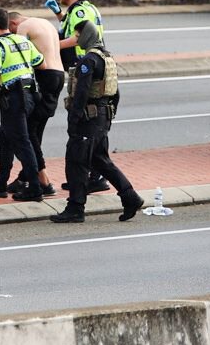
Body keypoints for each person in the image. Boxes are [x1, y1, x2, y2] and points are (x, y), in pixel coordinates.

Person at [51, 21, 143, 224]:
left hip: (88, 118)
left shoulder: (89, 60)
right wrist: (108, 117)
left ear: (87, 36)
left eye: (78, 35)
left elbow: (82, 93)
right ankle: (130, 197)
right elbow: (115, 92)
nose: (76, 39)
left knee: (77, 161)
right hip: (102, 117)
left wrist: (74, 121)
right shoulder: (107, 57)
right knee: (100, 161)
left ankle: (75, 207)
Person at [45, 0, 109, 194]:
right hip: (85, 66)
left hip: (86, 68)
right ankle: (95, 175)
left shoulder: (81, 11)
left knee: (87, 120)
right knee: (92, 124)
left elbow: (76, 38)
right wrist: (58, 14)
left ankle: (94, 176)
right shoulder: (80, 9)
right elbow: (72, 26)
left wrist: (50, 45)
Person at [0, 9, 48, 201]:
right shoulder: (23, 41)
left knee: (22, 144)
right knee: (5, 140)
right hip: (29, 97)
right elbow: (41, 64)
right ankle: (1, 184)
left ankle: (35, 188)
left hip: (13, 100)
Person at [9, 11, 63, 195]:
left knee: (29, 131)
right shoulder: (44, 23)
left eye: (11, 30)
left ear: (14, 23)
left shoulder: (23, 27)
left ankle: (43, 181)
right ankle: (25, 176)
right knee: (36, 129)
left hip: (45, 75)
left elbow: (20, 52)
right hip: (59, 75)